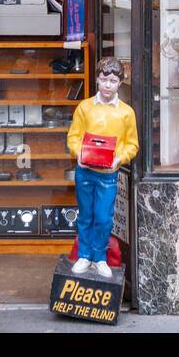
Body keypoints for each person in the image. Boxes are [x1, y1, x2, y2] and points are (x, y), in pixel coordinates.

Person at [66, 57, 139, 279]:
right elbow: (74, 136)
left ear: (120, 83)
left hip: (108, 174)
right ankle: (85, 255)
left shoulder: (126, 113)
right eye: (104, 79)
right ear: (97, 79)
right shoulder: (85, 108)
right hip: (85, 171)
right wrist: (78, 152)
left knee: (104, 217)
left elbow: (132, 144)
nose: (108, 85)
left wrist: (120, 158)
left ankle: (100, 257)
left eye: (113, 81)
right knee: (86, 215)